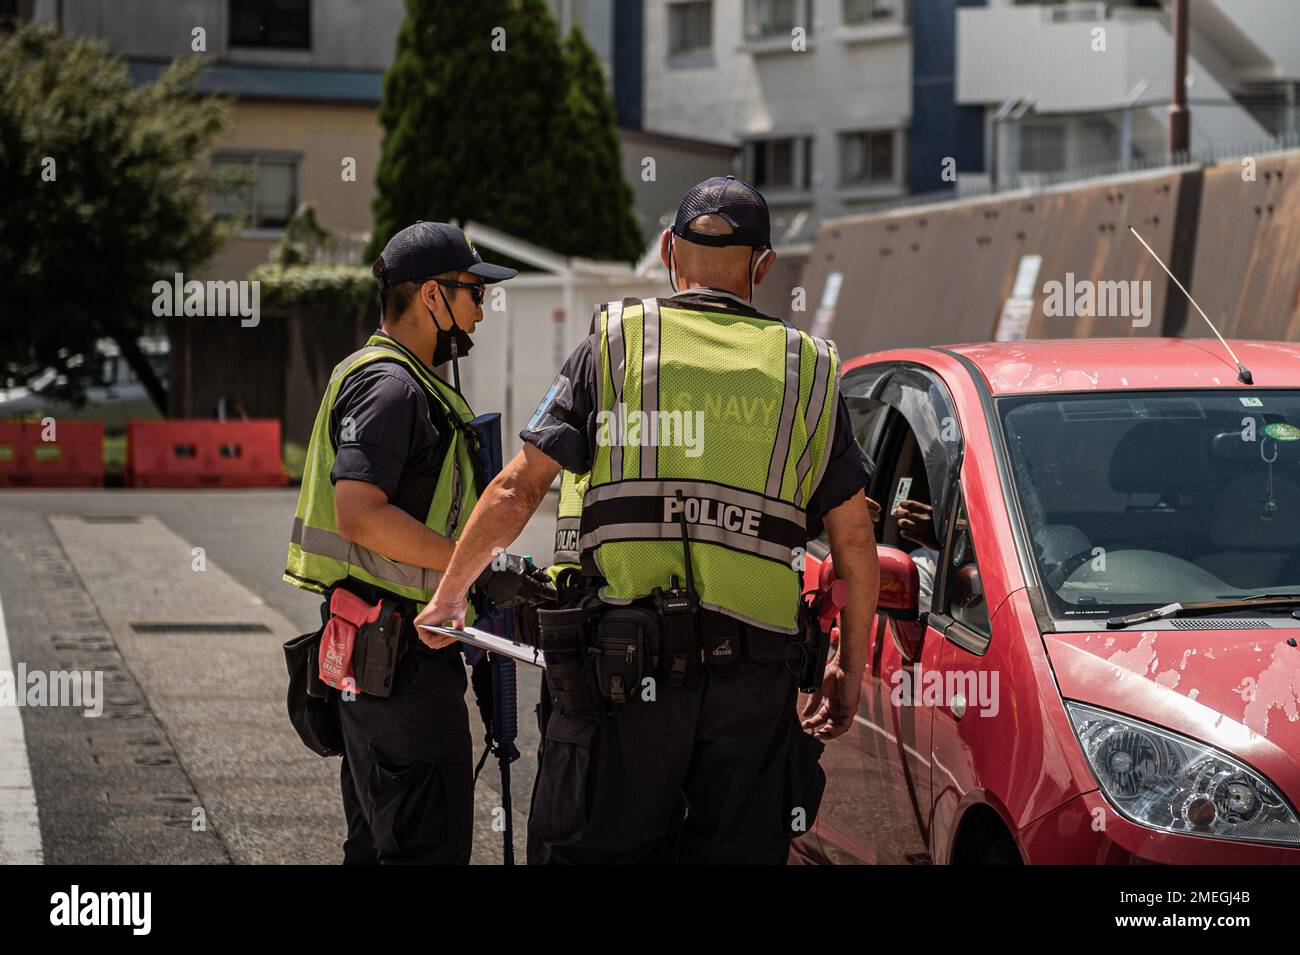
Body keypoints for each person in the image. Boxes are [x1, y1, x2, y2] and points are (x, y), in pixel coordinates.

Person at [416, 176, 879, 864]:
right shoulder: (808, 370)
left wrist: (448, 596)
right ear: (763, 265)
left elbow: (517, 488)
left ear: (668, 250)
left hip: (624, 683)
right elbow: (855, 542)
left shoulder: (618, 341)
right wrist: (848, 666)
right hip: (752, 693)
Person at [283, 221, 516, 864]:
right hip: (401, 664)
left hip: (374, 651)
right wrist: (474, 565)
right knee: (423, 848)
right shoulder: (392, 386)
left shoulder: (395, 377)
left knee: (378, 846)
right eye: (474, 293)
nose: (481, 310)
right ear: (432, 297)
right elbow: (360, 514)